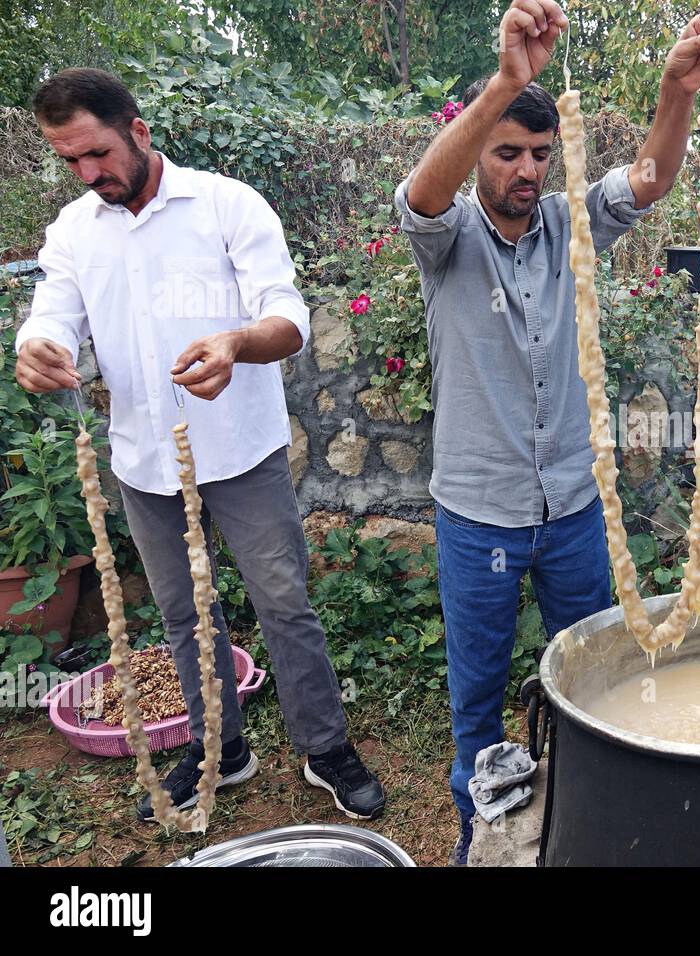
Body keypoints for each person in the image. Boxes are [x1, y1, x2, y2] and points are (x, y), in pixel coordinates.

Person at [394, 0, 700, 863]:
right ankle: (482, 835)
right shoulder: (447, 241)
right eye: (507, 152)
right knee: (477, 697)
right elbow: (419, 195)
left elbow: (654, 179)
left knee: (593, 674)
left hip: (575, 513)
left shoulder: (569, 225)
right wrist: (507, 83)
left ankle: (592, 825)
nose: (525, 170)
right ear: (480, 149)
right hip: (480, 514)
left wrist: (675, 86)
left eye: (539, 155)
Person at [14, 68, 385, 822]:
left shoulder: (225, 205)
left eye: (97, 154)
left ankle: (325, 749)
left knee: (283, 604)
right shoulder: (75, 231)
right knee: (182, 615)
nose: (89, 175)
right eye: (70, 162)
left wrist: (237, 343)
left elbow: (287, 316)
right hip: (143, 465)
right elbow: (53, 309)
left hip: (241, 455)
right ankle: (222, 748)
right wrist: (39, 344)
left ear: (138, 132)